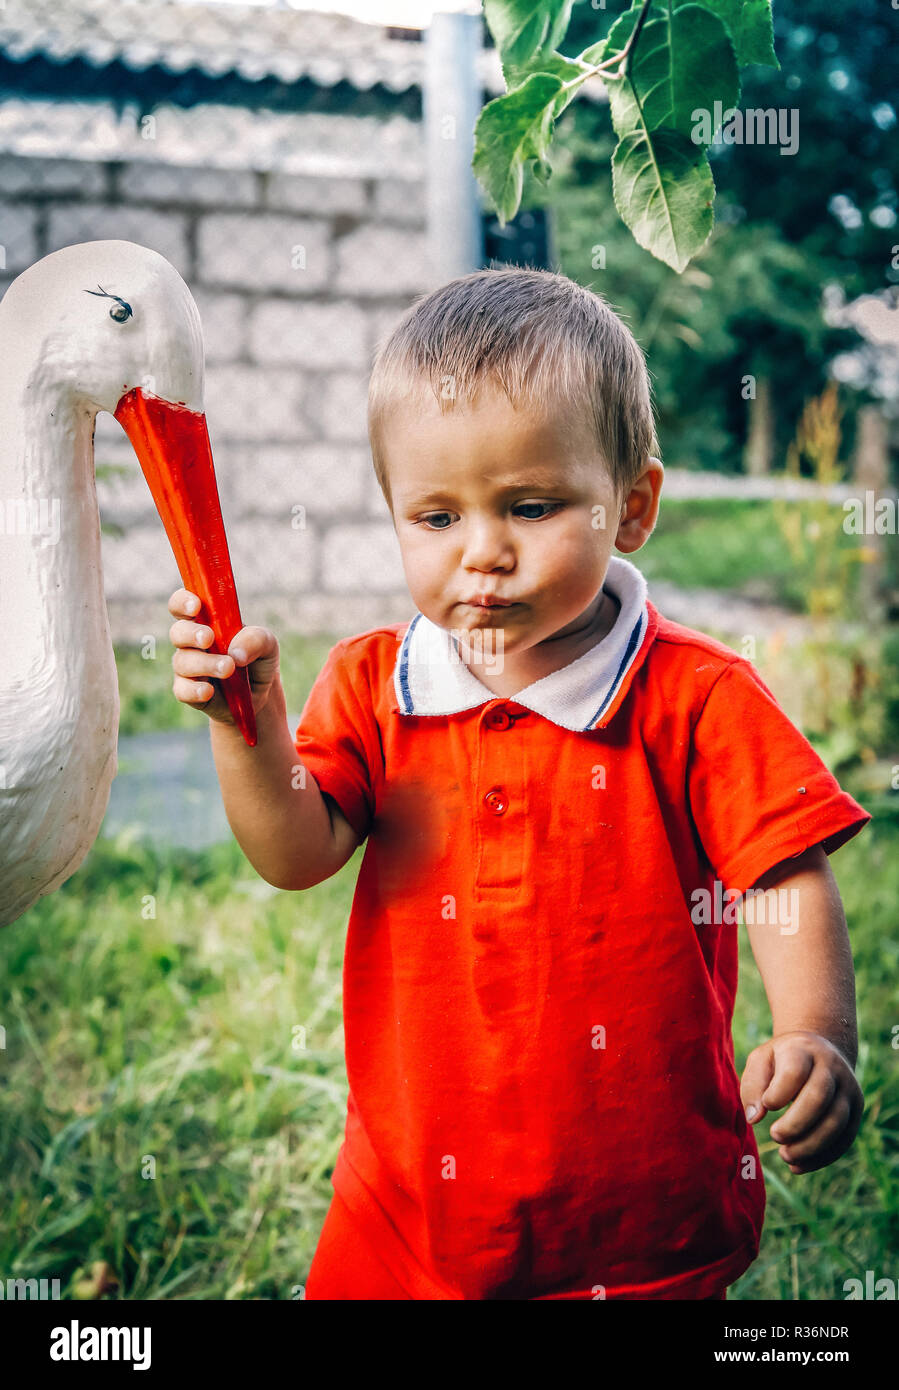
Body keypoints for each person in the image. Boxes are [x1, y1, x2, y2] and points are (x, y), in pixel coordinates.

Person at [168, 267, 869, 1300]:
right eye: (435, 517)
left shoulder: (697, 695)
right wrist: (248, 733)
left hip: (639, 1208)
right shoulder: (371, 684)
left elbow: (781, 875)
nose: (481, 554)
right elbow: (294, 852)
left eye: (529, 506)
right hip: (405, 1201)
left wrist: (815, 1034)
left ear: (630, 507)